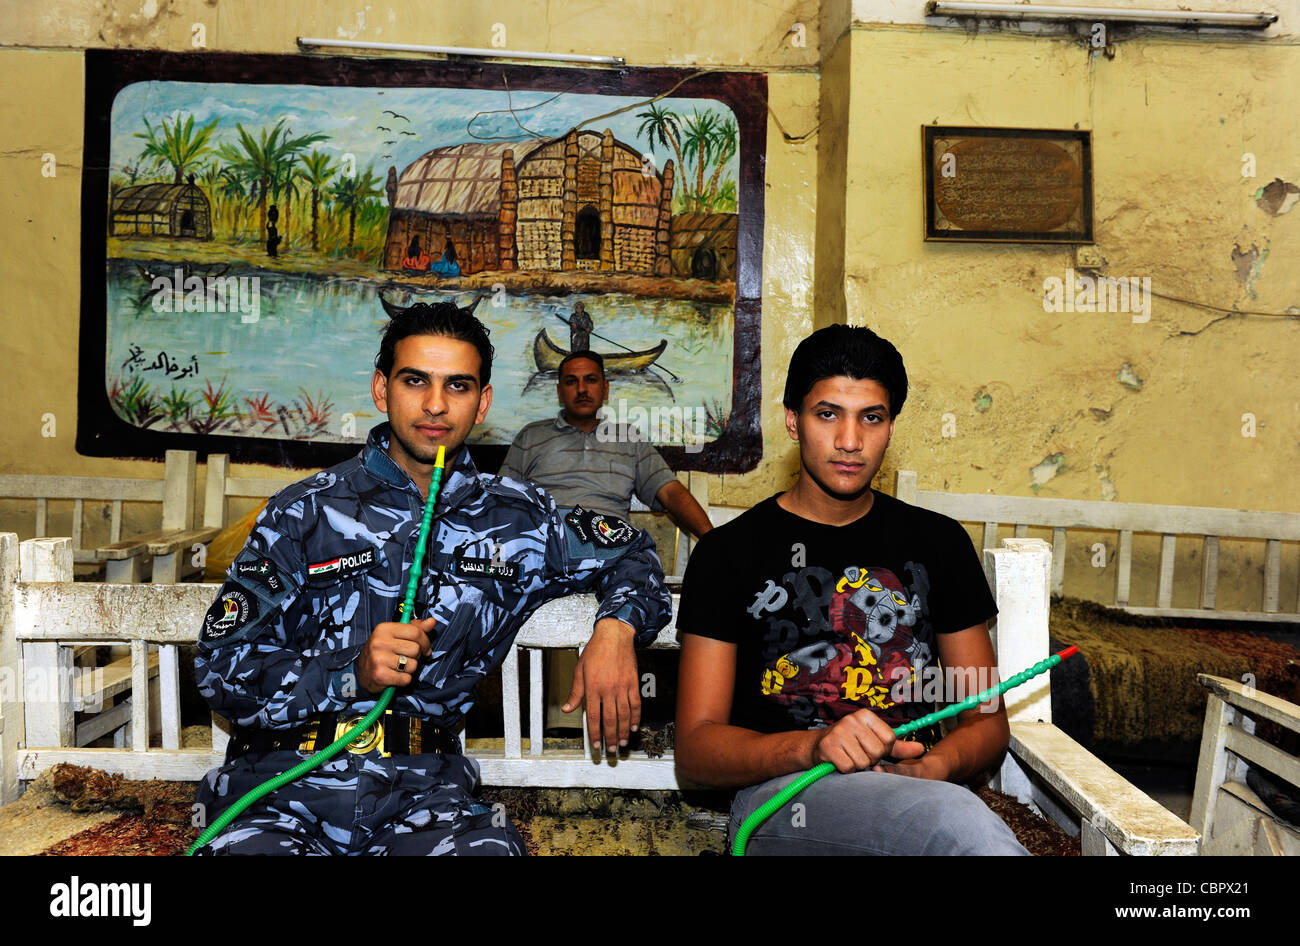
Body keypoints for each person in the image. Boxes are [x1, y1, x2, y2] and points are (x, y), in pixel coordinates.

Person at [192, 299, 671, 855]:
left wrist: (616, 631)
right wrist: (352, 674)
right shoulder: (303, 512)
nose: (436, 404)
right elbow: (220, 670)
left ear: (482, 401)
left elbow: (634, 551)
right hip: (278, 794)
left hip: (426, 800)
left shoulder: (519, 519)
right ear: (381, 389)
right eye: (415, 380)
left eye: (459, 386)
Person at [674, 324, 1028, 855]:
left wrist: (936, 767)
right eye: (827, 414)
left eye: (871, 417)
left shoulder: (940, 543)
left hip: (918, 792)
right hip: (783, 798)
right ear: (793, 421)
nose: (850, 441)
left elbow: (984, 716)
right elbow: (697, 750)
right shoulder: (729, 554)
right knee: (957, 826)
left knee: (945, 816)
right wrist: (814, 746)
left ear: (891, 428)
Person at [501, 349, 712, 730]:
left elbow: (669, 493)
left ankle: (617, 629)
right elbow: (503, 504)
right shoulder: (531, 438)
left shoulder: (629, 440)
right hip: (546, 539)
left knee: (639, 563)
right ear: (560, 390)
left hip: (610, 547)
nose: (581, 389)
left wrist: (713, 541)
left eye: (591, 379)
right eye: (571, 381)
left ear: (606, 387)